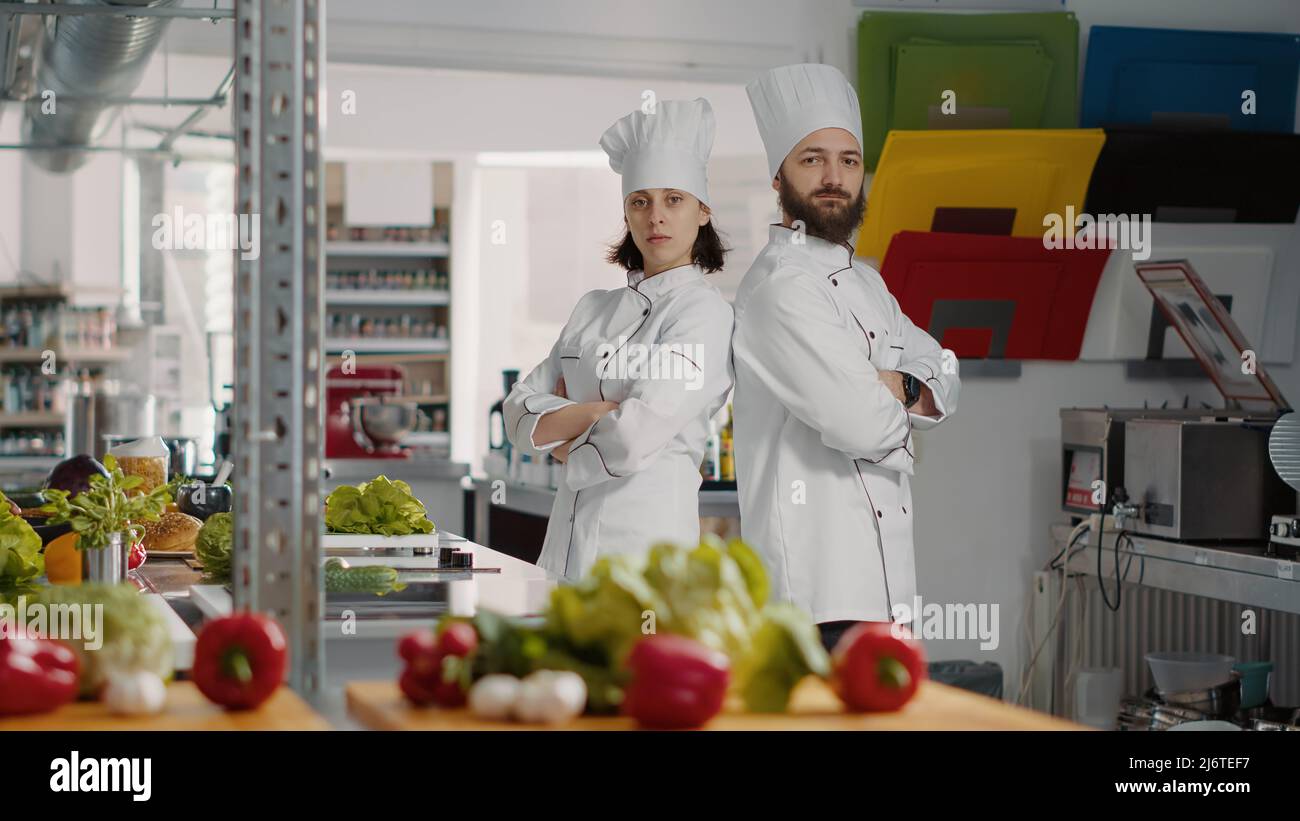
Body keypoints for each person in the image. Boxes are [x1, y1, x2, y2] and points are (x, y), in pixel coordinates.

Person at [732, 64, 961, 653]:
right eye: (812, 159)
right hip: (813, 599)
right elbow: (857, 421)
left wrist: (894, 386)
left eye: (849, 160)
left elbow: (947, 371)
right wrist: (905, 391)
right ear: (778, 176)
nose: (835, 177)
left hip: (887, 590)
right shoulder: (778, 288)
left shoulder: (869, 282)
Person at [504, 98, 734, 580]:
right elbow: (516, 412)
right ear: (627, 213)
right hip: (564, 546)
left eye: (674, 199)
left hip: (645, 559)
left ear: (703, 210)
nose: (656, 217)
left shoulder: (704, 313)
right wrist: (595, 414)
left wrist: (562, 439)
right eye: (640, 201)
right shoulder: (592, 308)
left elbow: (632, 435)